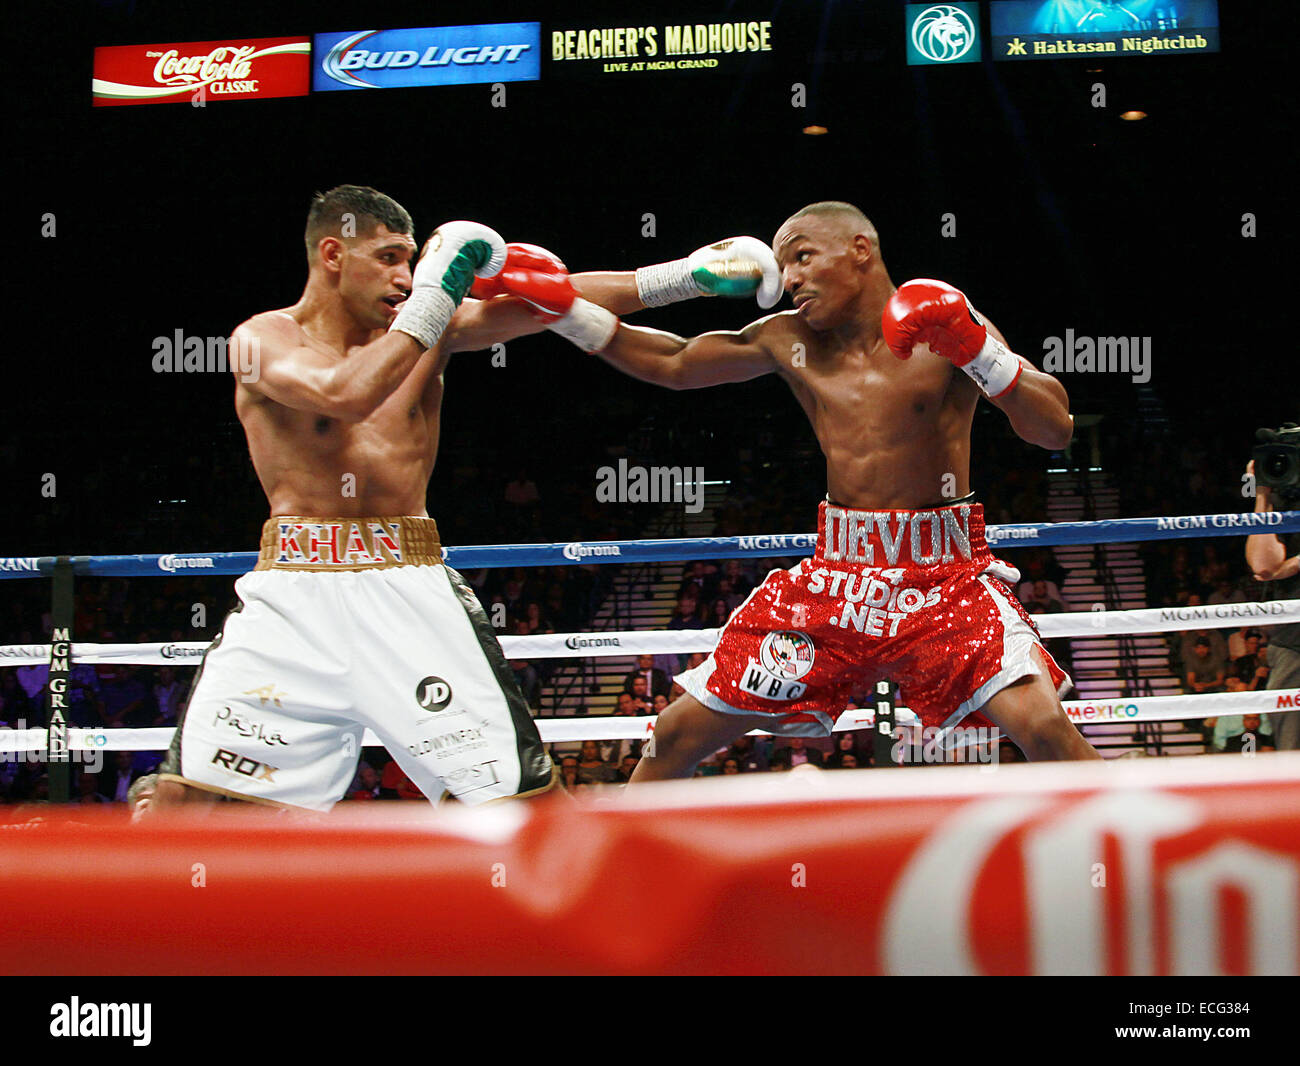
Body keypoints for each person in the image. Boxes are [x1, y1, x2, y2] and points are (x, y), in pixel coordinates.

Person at [492, 201, 1098, 771]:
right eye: (782, 266)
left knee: (1044, 728)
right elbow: (674, 363)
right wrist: (568, 311)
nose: (788, 279)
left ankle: (1128, 856)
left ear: (861, 249)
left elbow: (1054, 429)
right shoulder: (788, 338)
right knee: (673, 736)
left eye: (802, 257)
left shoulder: (947, 323)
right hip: (832, 578)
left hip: (943, 577)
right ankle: (611, 875)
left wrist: (975, 349)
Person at [149, 185, 658, 813]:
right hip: (292, 595)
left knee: (519, 806)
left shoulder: (425, 328)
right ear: (333, 252)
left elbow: (553, 302)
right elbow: (343, 393)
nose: (406, 276)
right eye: (389, 257)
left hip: (408, 589)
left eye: (413, 259)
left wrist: (684, 277)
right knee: (186, 802)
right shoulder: (262, 340)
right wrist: (435, 299)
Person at [1245, 457, 1300, 750]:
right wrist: (1263, 493)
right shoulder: (1283, 508)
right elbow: (1264, 567)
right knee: (1293, 749)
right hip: (1294, 647)